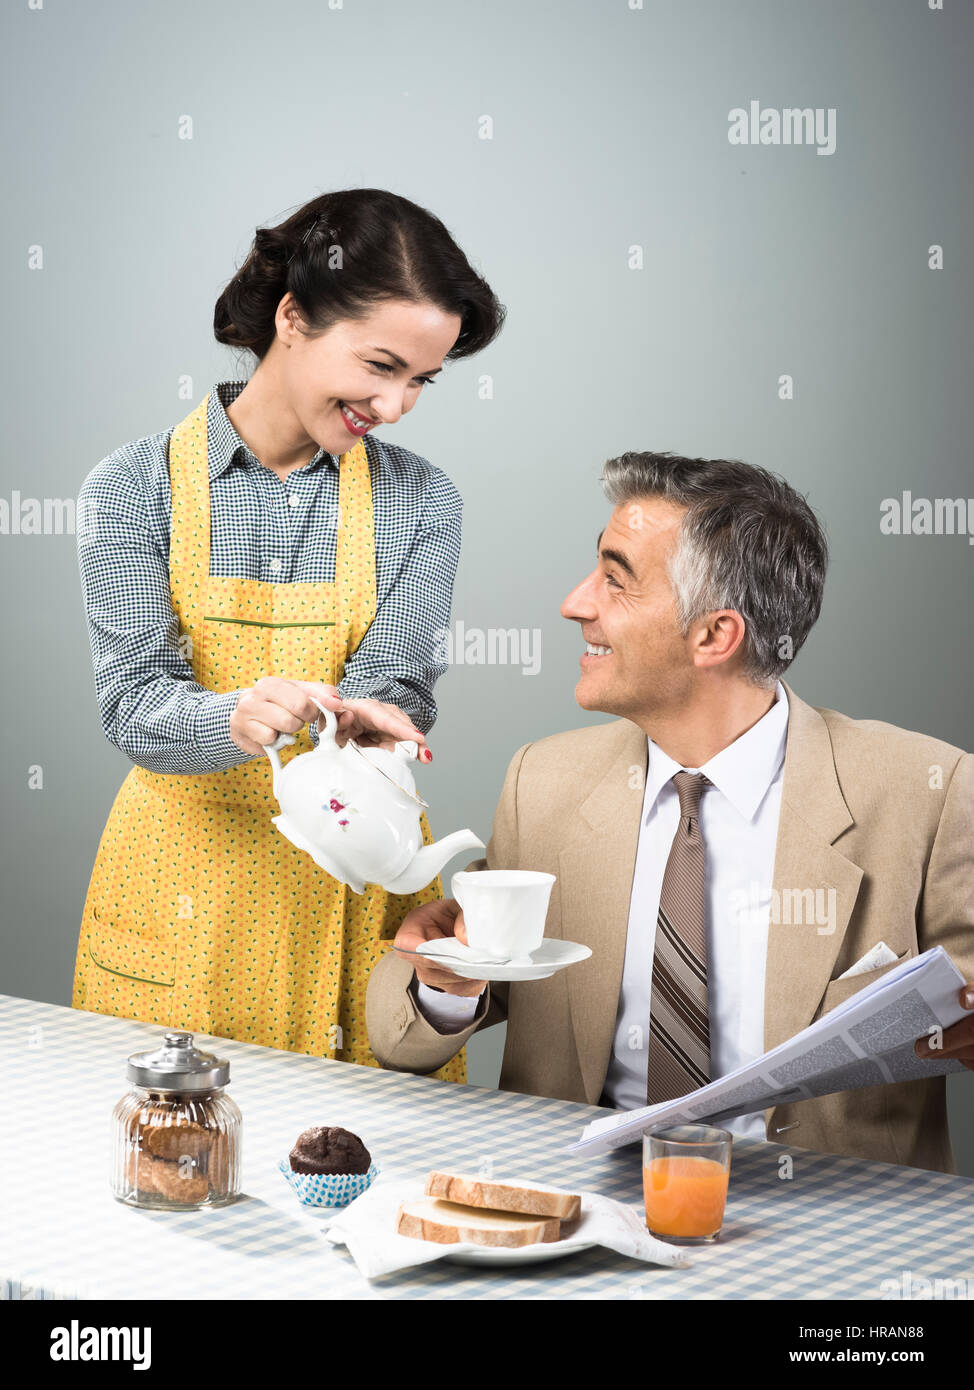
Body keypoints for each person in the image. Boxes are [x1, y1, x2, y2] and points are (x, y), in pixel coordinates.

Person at [366, 452, 974, 1172]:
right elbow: (400, 1041)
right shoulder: (545, 781)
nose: (576, 602)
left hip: (823, 1236)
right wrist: (448, 984)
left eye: (616, 581)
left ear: (715, 636)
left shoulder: (928, 789)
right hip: (585, 1215)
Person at [73, 188, 505, 1078]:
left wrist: (367, 715)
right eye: (381, 366)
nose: (397, 406)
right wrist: (234, 717)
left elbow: (397, 680)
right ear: (294, 317)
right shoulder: (130, 490)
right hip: (182, 883)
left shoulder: (423, 502)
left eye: (422, 379)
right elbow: (132, 705)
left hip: (352, 872)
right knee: (171, 1154)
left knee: (366, 1164)